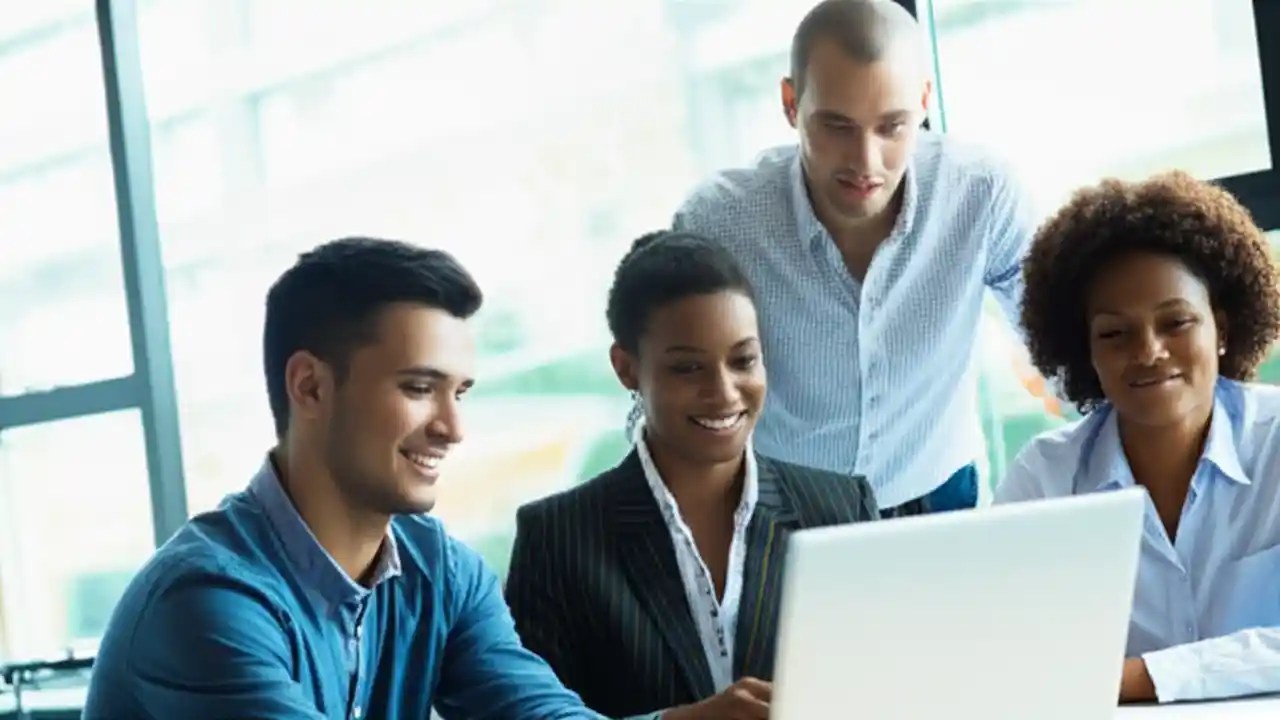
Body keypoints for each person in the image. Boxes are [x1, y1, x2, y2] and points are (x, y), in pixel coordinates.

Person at [84, 238, 601, 719]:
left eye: (459, 393)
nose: (453, 429)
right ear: (309, 387)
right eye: (420, 388)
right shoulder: (206, 601)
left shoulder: (442, 573)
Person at [673, 0, 1039, 515]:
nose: (866, 162)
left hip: (940, 494)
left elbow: (1062, 343)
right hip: (783, 507)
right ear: (790, 103)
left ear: (924, 102)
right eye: (837, 127)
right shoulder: (721, 222)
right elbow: (673, 392)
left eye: (892, 127)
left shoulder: (980, 194)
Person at [505, 230, 879, 719]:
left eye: (743, 360)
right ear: (626, 368)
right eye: (688, 369)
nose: (724, 392)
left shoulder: (840, 510)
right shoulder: (558, 539)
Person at [993, 171, 1280, 704]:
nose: (1148, 351)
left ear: (1222, 327)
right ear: (1086, 350)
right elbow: (1001, 643)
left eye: (1176, 323)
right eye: (1114, 333)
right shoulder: (1045, 478)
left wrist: (1137, 677)